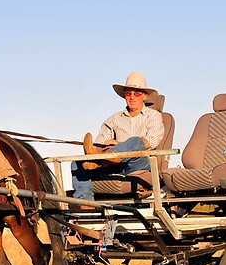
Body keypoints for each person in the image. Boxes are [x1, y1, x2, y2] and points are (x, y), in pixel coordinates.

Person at [71, 72, 165, 201]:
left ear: (145, 96)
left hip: (140, 163)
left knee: (136, 141)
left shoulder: (154, 116)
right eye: (128, 93)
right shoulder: (114, 119)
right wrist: (105, 146)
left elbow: (150, 142)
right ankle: (86, 201)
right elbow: (99, 144)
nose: (132, 97)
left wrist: (118, 146)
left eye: (137, 93)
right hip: (115, 166)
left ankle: (104, 159)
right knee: (77, 163)